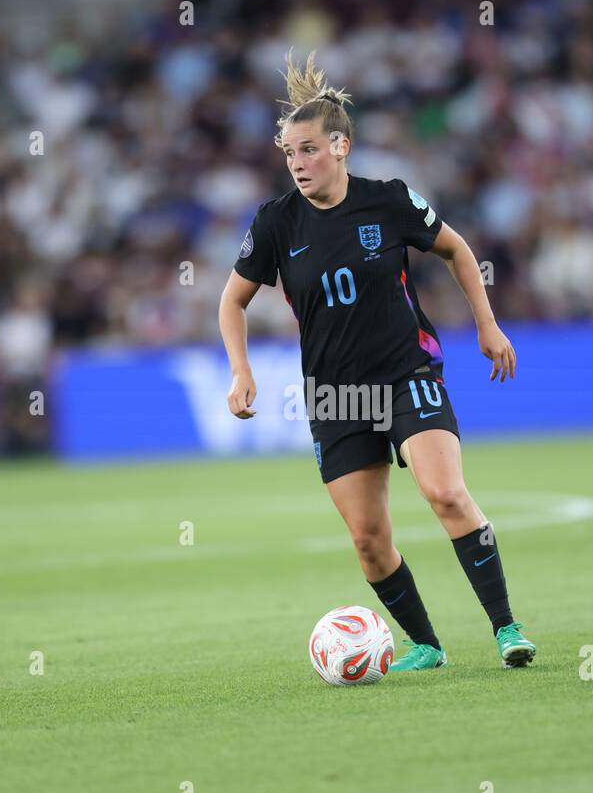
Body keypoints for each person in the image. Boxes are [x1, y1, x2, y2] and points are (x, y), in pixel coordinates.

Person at [218, 52, 535, 670]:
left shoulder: (388, 200)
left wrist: (487, 322)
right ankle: (427, 645)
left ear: (340, 147)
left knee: (445, 493)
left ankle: (507, 628)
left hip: (405, 373)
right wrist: (241, 370)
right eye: (289, 153)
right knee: (368, 539)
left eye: (308, 150)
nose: (297, 163)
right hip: (335, 396)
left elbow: (457, 249)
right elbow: (231, 301)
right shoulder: (276, 222)